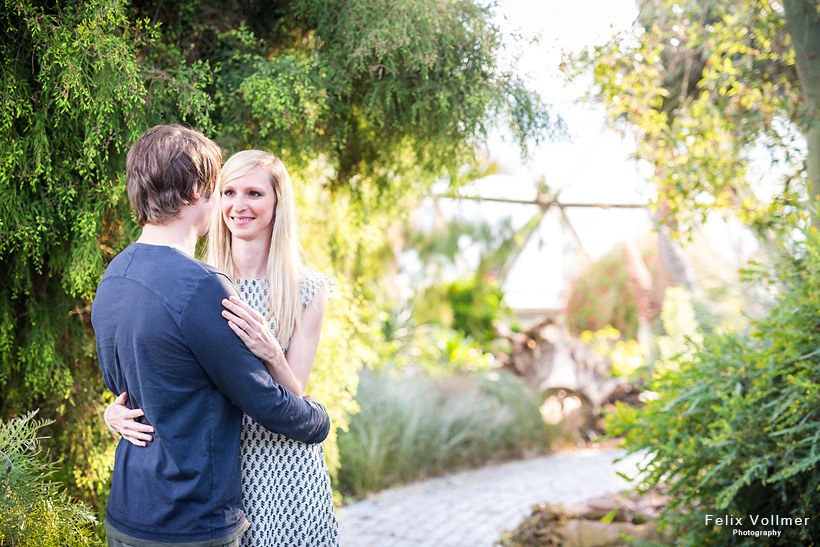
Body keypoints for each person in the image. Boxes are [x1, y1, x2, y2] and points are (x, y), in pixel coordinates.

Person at [93, 126, 330, 547]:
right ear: (200, 191)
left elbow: (129, 380)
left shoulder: (116, 273)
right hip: (192, 509)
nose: (236, 204)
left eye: (254, 193)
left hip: (137, 505)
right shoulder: (201, 285)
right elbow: (263, 399)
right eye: (224, 189)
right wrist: (319, 421)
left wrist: (122, 406)